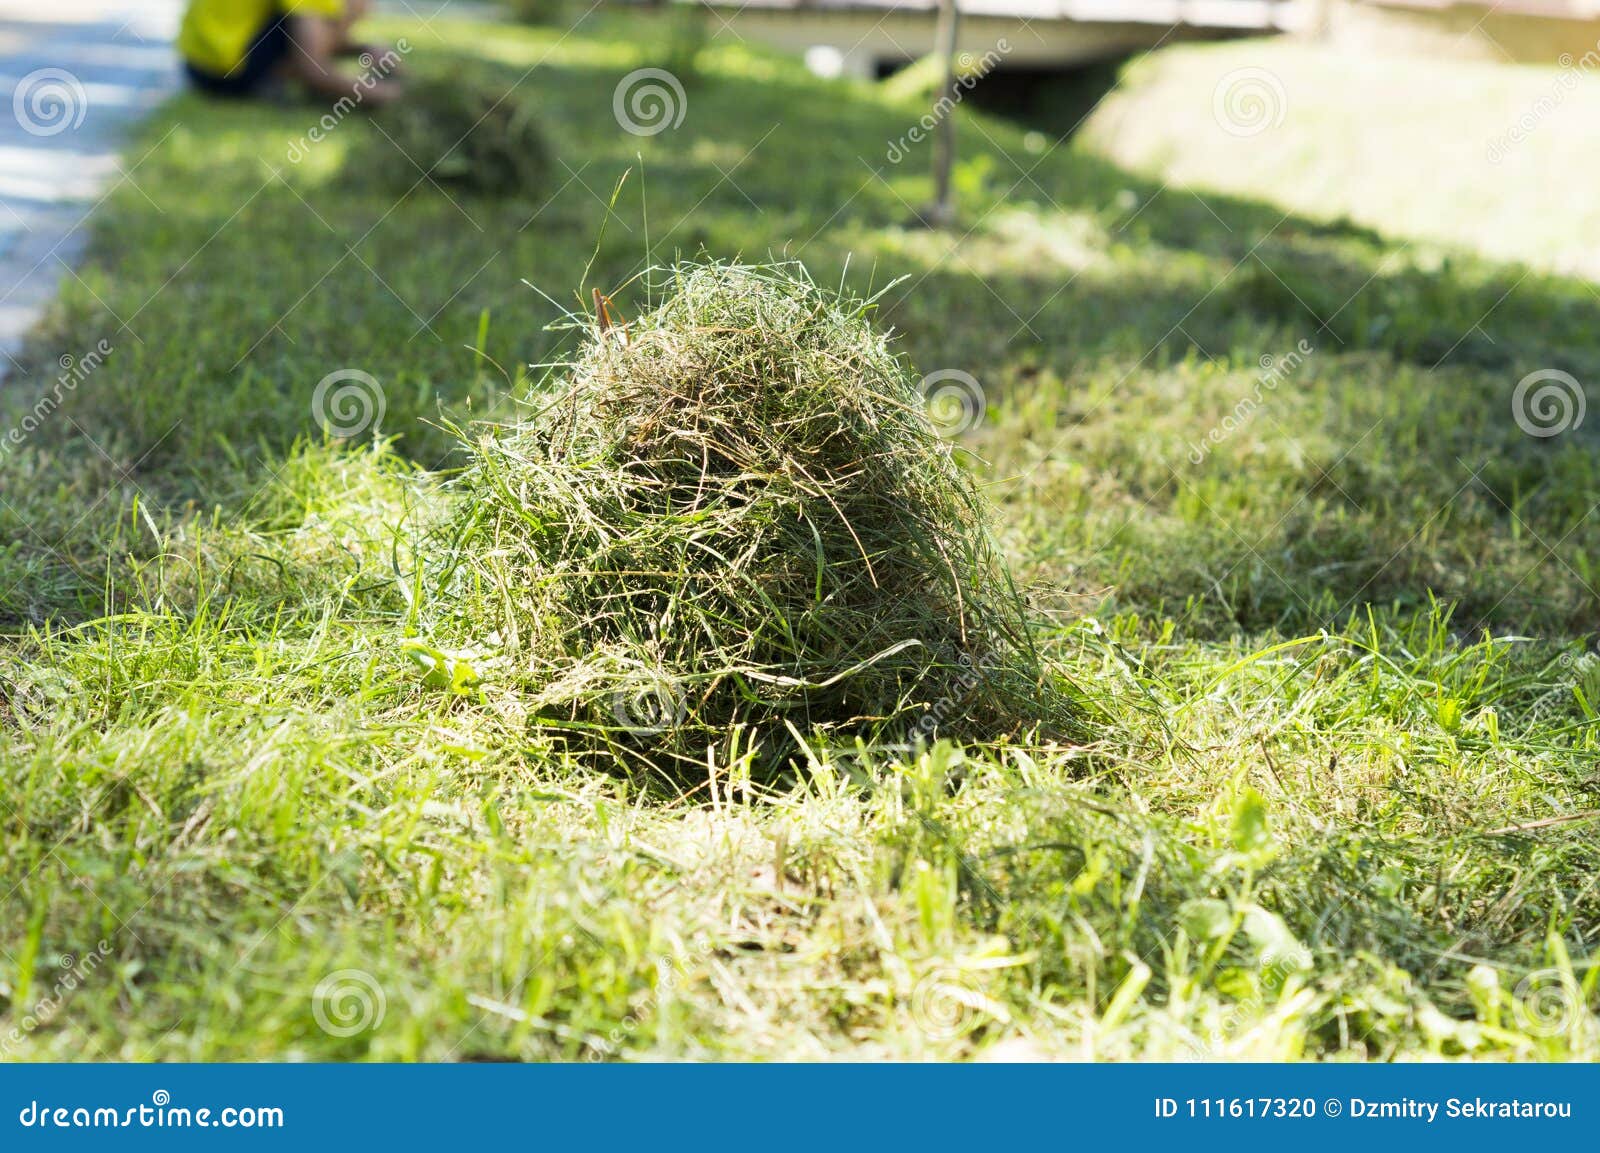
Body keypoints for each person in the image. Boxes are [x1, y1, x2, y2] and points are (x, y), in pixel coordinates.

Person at [178, 0, 402, 105]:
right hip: (229, 76)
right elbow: (313, 72)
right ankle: (267, 81)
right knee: (325, 15)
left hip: (196, 65)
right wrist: (390, 95)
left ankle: (274, 78)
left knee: (306, 21)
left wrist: (363, 49)